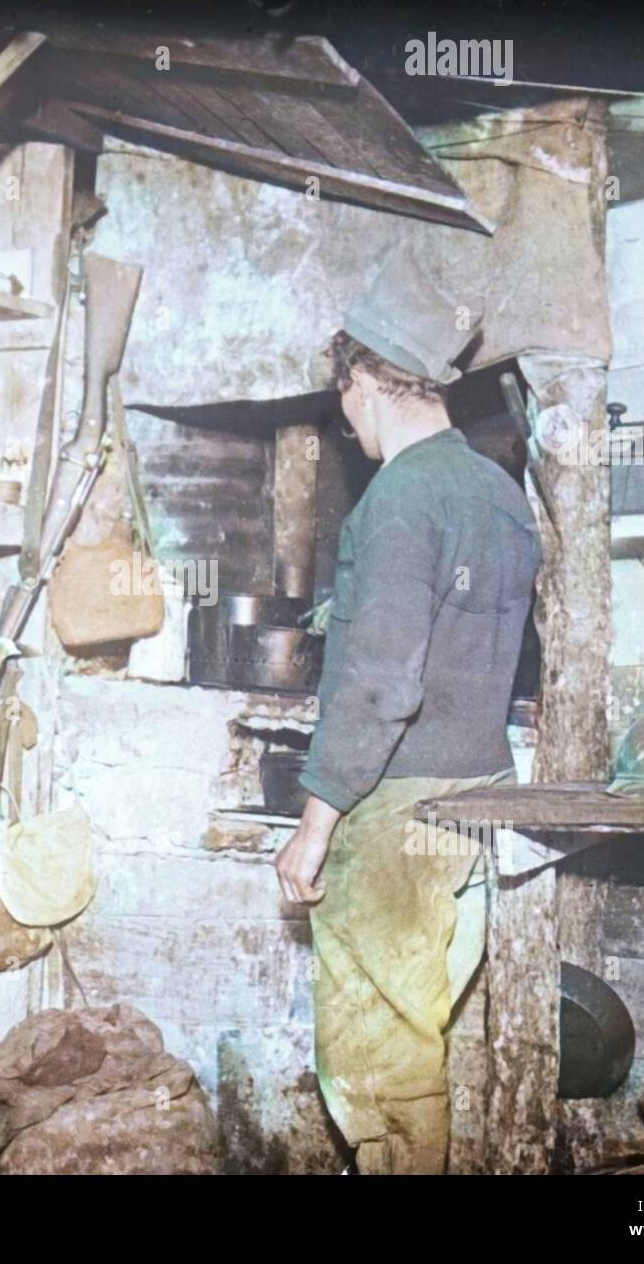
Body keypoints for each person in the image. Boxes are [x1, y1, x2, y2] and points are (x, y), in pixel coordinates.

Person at [275, 259, 541, 1174]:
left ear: (360, 381)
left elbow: (384, 683)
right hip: (480, 805)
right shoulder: (502, 496)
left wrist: (316, 823)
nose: (343, 419)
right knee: (418, 1044)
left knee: (377, 1073)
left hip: (398, 815)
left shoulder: (398, 500)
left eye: (339, 393)